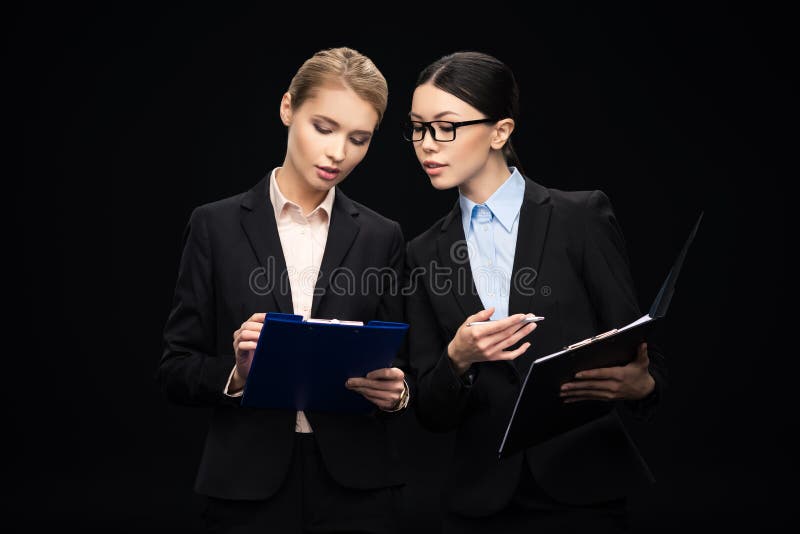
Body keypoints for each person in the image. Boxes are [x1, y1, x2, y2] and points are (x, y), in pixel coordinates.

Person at [403, 51, 667, 533]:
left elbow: (640, 351)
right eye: (418, 128)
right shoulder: (422, 253)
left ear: (500, 132)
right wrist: (457, 359)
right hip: (477, 501)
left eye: (445, 126)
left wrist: (644, 386)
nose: (426, 144)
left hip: (584, 491)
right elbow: (430, 411)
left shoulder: (580, 217)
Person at [157, 47, 410, 534]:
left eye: (359, 139)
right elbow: (174, 367)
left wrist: (398, 393)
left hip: (359, 489)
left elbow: (406, 363)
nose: (339, 153)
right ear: (287, 108)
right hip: (245, 487)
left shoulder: (383, 236)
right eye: (324, 127)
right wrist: (237, 372)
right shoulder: (214, 225)